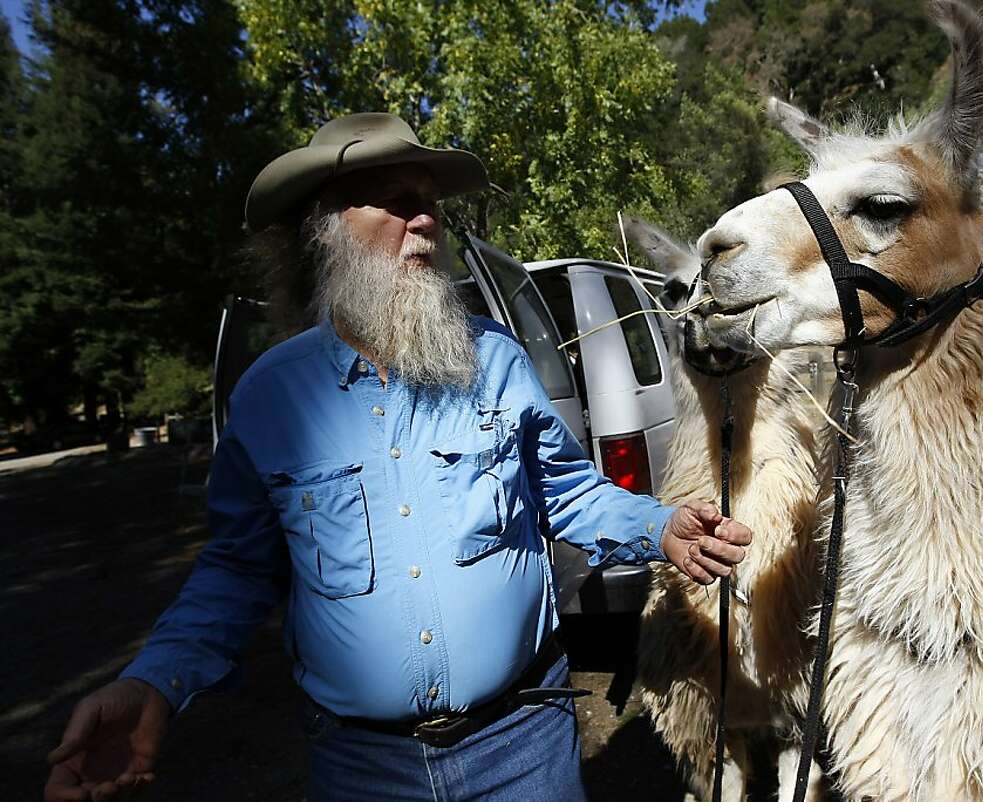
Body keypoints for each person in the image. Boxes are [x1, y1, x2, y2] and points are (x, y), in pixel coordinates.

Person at [44, 113, 752, 802]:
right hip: (361, 767)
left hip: (524, 744)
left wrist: (657, 525)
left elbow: (568, 494)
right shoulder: (269, 399)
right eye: (398, 202)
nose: (426, 221)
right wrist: (152, 683)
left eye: (431, 204)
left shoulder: (495, 363)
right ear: (325, 230)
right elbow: (235, 572)